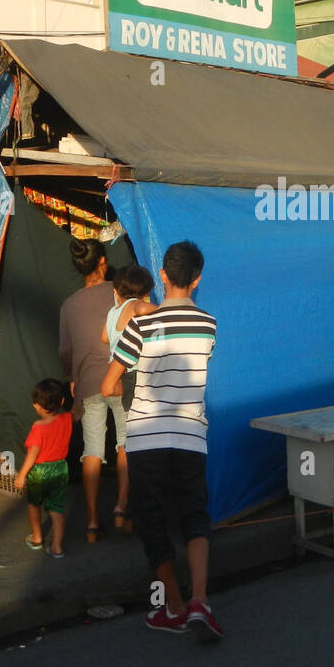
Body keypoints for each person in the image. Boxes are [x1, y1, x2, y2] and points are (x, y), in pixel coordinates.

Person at [102, 241, 222, 642]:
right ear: (198, 278)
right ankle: (201, 601)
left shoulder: (141, 325)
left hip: (146, 437)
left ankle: (173, 606)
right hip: (190, 435)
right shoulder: (209, 324)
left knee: (152, 521)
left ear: (164, 276)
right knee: (194, 516)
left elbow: (108, 383)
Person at [59, 237, 125, 543]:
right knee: (125, 444)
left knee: (92, 450)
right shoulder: (119, 294)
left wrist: (71, 375)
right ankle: (122, 509)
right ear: (102, 263)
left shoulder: (69, 305)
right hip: (122, 378)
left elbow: (65, 351)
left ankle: (92, 522)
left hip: (87, 382)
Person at [101, 265, 157, 456]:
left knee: (125, 440)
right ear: (146, 292)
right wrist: (167, 309)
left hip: (117, 376)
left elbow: (104, 338)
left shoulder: (112, 312)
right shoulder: (135, 305)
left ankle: (124, 486)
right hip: (133, 373)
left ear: (116, 291)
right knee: (136, 439)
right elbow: (143, 308)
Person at [16, 378, 75, 559]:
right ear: (62, 401)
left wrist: (22, 475)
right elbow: (77, 410)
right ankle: (57, 546)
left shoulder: (38, 427)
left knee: (34, 504)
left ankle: (37, 537)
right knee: (57, 508)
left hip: (40, 472)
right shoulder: (67, 418)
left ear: (37, 406)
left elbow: (33, 453)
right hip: (60, 468)